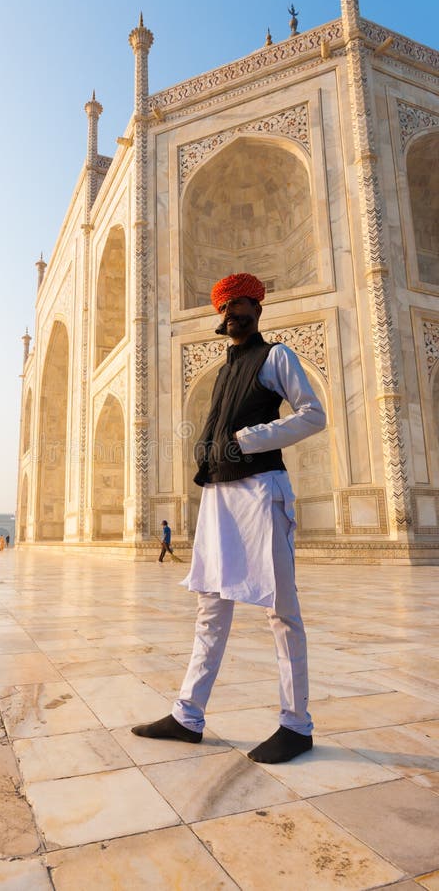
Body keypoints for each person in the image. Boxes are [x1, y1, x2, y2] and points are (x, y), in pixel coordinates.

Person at [132, 272, 326, 764]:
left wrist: (248, 440)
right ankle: (188, 715)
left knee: (282, 612)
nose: (230, 314)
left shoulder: (275, 356)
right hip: (219, 495)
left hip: (262, 491)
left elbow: (312, 414)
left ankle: (296, 725)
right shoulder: (223, 369)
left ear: (257, 307)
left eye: (238, 305)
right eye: (223, 308)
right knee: (210, 608)